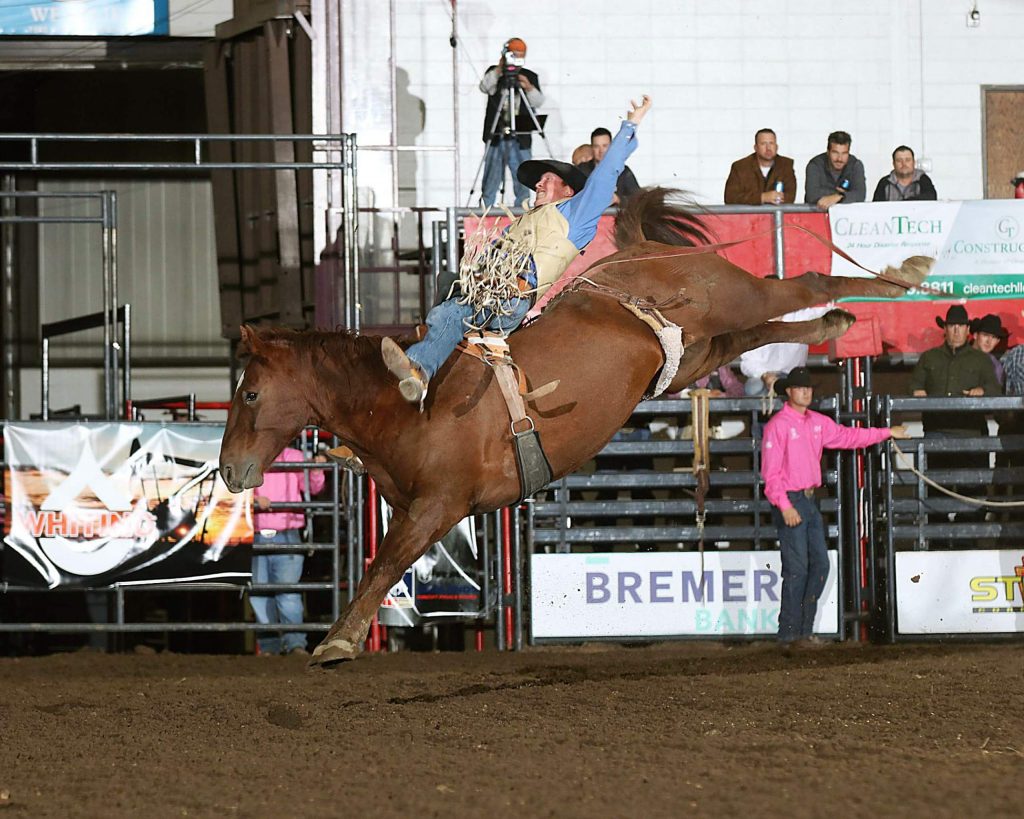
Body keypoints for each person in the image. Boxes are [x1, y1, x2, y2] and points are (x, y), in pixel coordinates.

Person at [381, 95, 654, 404]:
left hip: (510, 299)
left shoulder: (576, 214)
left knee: (451, 313)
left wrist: (631, 123)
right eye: (538, 180)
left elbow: (605, 176)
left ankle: (419, 369)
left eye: (547, 179)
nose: (537, 184)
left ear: (568, 190)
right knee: (447, 291)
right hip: (487, 292)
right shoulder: (523, 222)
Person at [761, 367, 908, 647]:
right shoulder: (778, 426)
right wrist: (784, 505)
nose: (806, 391)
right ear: (789, 392)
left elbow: (849, 437)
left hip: (807, 499)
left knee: (819, 564)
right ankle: (790, 633)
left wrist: (886, 432)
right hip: (792, 498)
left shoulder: (816, 422)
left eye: (808, 388)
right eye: (800, 388)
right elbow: (771, 475)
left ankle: (800, 632)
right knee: (799, 568)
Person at [250, 445, 326, 656]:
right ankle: (284, 646)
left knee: (279, 593)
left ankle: (288, 645)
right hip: (266, 532)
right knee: (267, 594)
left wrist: (316, 471)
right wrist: (251, 500)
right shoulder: (290, 456)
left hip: (272, 531)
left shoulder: (293, 456)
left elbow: (313, 486)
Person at [479, 37, 544, 209]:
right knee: (491, 180)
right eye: (513, 55)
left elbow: (538, 102)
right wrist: (500, 68)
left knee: (523, 181)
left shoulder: (529, 76)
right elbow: (485, 87)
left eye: (520, 56)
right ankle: (485, 214)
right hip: (497, 136)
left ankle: (522, 214)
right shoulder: (495, 73)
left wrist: (528, 87)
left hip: (520, 139)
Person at [739, 306, 830, 396]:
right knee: (753, 388)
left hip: (792, 376)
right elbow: (747, 363)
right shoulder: (753, 323)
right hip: (763, 377)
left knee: (796, 387)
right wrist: (766, 375)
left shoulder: (799, 316)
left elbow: (826, 310)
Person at [723, 128, 797, 205]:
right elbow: (730, 197)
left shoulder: (786, 165)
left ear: (777, 147)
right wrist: (762, 197)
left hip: (777, 216)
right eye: (763, 144)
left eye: (771, 143)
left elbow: (790, 196)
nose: (768, 148)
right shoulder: (740, 167)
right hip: (749, 216)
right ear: (756, 147)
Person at [576, 126, 641, 203]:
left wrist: (618, 199)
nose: (601, 151)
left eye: (605, 146)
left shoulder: (623, 171)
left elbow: (639, 199)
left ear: (611, 146)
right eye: (596, 146)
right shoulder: (581, 170)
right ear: (592, 148)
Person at [804, 130, 866, 210]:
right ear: (828, 152)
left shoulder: (855, 165)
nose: (839, 158)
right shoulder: (815, 165)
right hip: (817, 217)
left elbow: (860, 195)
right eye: (835, 153)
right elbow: (812, 195)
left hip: (847, 217)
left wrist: (839, 196)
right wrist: (844, 195)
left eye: (844, 153)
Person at [872, 145, 937, 202]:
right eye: (899, 161)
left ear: (914, 162)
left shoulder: (923, 180)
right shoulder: (884, 183)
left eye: (907, 160)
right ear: (893, 164)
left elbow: (931, 199)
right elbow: (876, 208)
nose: (904, 164)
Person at [969, 313, 1008, 387]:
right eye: (985, 335)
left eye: (993, 337)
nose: (989, 341)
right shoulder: (959, 357)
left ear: (997, 341)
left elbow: (996, 394)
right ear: (975, 335)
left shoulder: (996, 366)